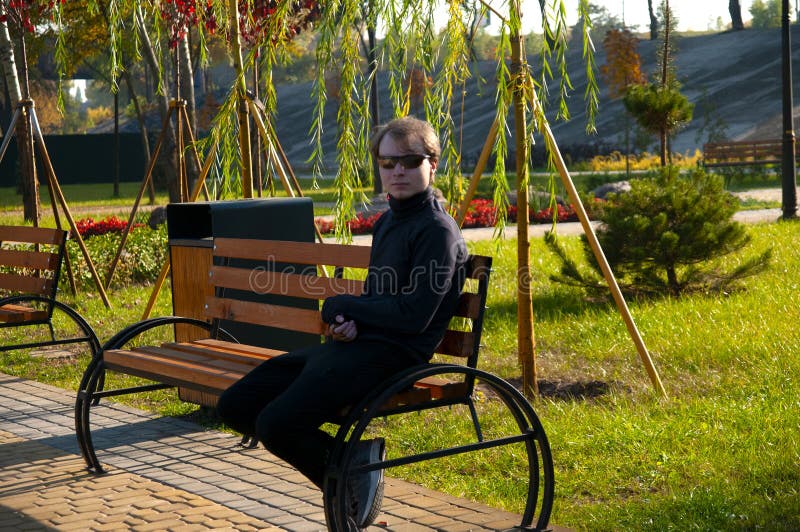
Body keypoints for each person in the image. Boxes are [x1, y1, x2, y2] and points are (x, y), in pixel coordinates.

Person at [216, 116, 468, 530]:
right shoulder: (389, 221)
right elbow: (377, 297)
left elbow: (413, 315)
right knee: (236, 405)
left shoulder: (437, 231)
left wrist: (343, 302)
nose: (398, 171)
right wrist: (346, 318)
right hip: (361, 347)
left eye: (409, 160)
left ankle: (346, 475)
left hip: (397, 357)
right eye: (388, 163)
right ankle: (353, 465)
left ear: (432, 164)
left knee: (276, 425)